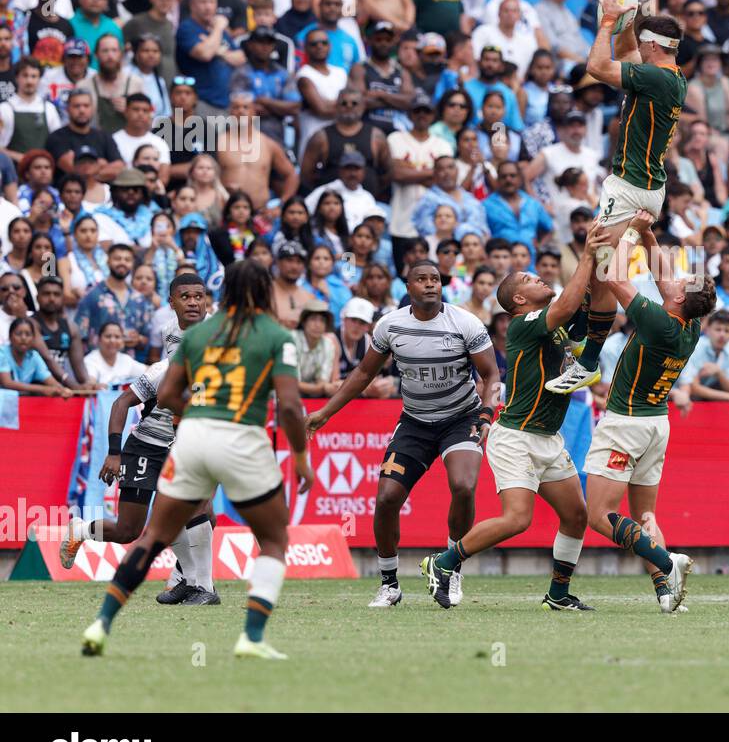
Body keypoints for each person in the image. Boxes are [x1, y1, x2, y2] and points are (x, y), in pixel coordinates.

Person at [81, 260, 315, 660]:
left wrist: (198, 413)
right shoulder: (278, 336)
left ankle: (102, 623)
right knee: (274, 540)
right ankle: (252, 637)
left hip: (194, 441)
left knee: (154, 535)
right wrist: (300, 456)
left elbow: (169, 396)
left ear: (221, 297)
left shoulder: (195, 335)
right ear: (264, 293)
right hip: (243, 442)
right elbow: (291, 409)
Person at [421, 223, 611, 611]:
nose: (539, 276)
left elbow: (593, 308)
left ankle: (558, 594)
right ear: (519, 299)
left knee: (576, 515)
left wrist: (606, 258)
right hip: (517, 437)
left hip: (547, 437)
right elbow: (568, 306)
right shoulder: (524, 324)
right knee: (517, 520)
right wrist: (587, 253)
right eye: (529, 278)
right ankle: (442, 562)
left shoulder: (554, 327)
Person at [307, 258, 501, 608]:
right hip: (414, 422)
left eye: (435, 279)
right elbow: (363, 375)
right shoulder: (389, 326)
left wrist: (487, 412)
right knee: (386, 498)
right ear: (408, 287)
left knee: (463, 485)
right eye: (422, 279)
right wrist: (325, 412)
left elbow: (491, 375)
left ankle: (450, 568)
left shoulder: (465, 322)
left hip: (462, 417)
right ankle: (389, 584)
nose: (430, 284)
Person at [545, 0, 687, 394]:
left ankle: (588, 360)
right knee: (603, 265)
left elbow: (598, 67)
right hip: (648, 186)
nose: (637, 50)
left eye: (643, 43)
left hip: (628, 186)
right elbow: (627, 53)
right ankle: (579, 331)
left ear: (654, 47)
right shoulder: (670, 76)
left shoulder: (655, 77)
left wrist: (608, 21)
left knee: (604, 267)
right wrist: (628, 19)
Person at [60, 275, 219, 603]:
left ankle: (191, 581)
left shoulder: (217, 338)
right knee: (129, 530)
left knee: (200, 510)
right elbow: (120, 403)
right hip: (148, 445)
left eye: (198, 296)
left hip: (188, 440)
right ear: (171, 303)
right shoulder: (163, 366)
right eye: (184, 297)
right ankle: (82, 530)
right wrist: (115, 452)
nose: (192, 302)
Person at [574, 210, 701, 611]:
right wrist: (648, 233)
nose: (674, 279)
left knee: (598, 515)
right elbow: (665, 275)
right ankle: (667, 593)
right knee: (645, 515)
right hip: (656, 425)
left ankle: (667, 560)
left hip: (625, 424)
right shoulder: (689, 323)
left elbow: (613, 278)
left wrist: (628, 233)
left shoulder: (658, 320)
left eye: (681, 282)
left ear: (679, 298)